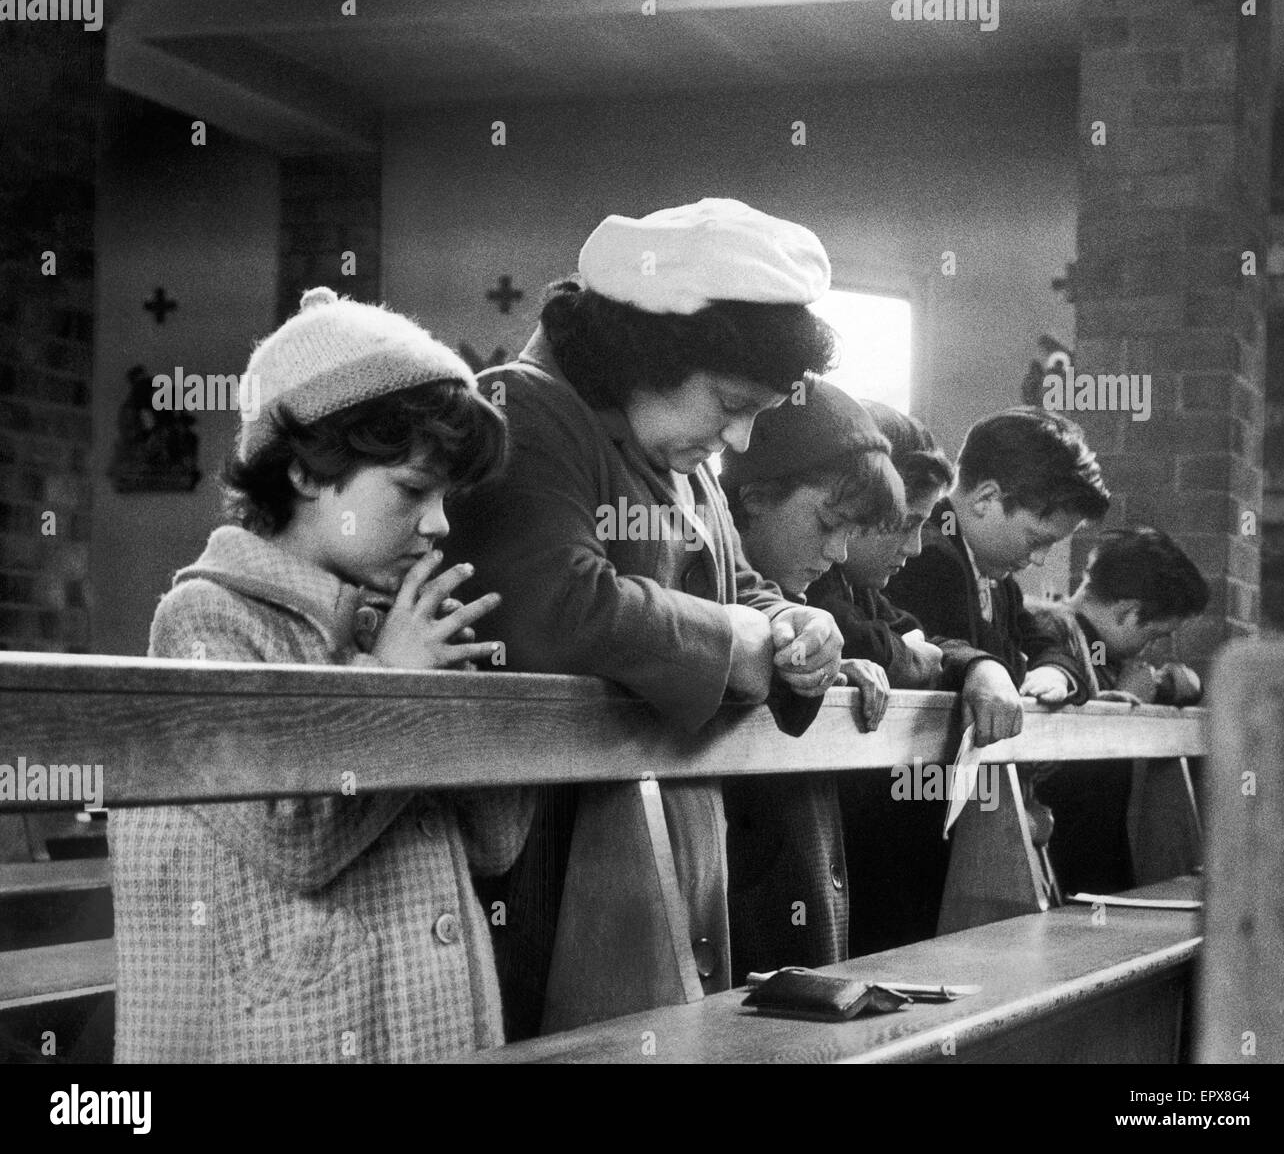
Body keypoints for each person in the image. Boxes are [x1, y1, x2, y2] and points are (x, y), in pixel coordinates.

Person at [444, 198, 846, 1035]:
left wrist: (796, 632)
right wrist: (735, 640)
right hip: (548, 856)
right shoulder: (523, 409)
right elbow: (551, 606)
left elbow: (742, 591)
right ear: (648, 352)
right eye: (729, 403)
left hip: (669, 841)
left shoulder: (676, 449)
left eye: (756, 416)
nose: (735, 441)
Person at [109, 288, 533, 1062]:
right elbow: (294, 839)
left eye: (445, 495)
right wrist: (397, 688)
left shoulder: (391, 623)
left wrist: (468, 705)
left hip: (429, 1022)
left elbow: (495, 847)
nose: (439, 522)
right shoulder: (206, 617)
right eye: (411, 489)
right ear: (306, 470)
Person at [876, 405, 1111, 944]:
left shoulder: (991, 570)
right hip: (907, 818)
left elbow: (1043, 634)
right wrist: (985, 668)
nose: (1039, 558)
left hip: (959, 813)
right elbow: (929, 658)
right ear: (985, 499)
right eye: (1036, 537)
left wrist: (1055, 670)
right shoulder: (925, 555)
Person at [805, 400, 1025, 953]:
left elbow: (923, 637)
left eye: (923, 526)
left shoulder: (866, 589)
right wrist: (908, 658)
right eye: (902, 524)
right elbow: (861, 638)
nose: (914, 547)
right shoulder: (814, 580)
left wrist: (980, 665)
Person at [717, 379, 902, 979]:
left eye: (852, 531)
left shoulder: (813, 601)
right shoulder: (698, 574)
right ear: (756, 497)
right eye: (828, 523)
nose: (841, 552)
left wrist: (829, 669)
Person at [1020, 526, 1209, 894]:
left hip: (1096, 852)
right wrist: (1119, 707)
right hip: (1056, 851)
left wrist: (1174, 685)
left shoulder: (1104, 646)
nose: (1149, 650)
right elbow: (1040, 760)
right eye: (1153, 636)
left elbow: (1176, 683)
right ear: (1128, 612)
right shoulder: (1049, 629)